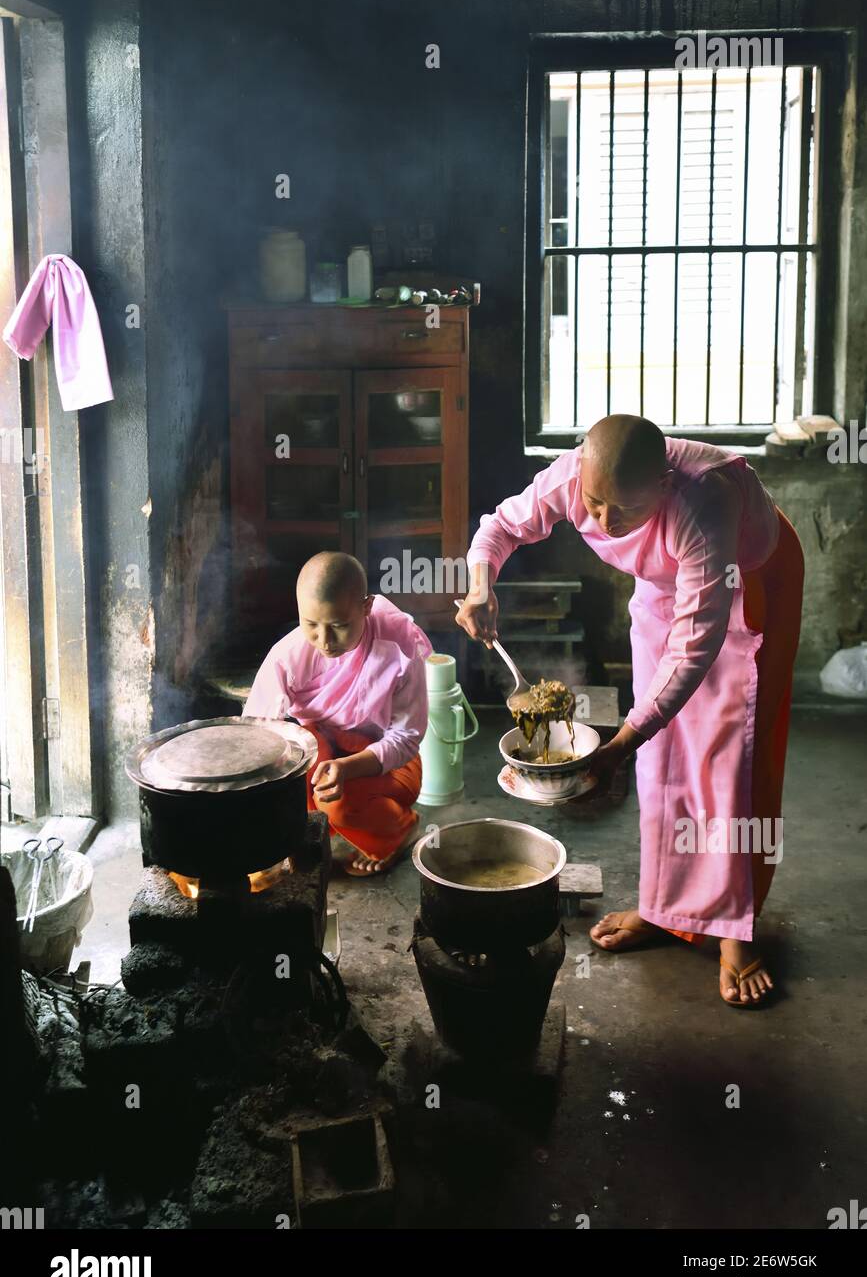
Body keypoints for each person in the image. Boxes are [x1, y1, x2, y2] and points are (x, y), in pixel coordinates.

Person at [457, 415, 804, 1006]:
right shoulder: (574, 476)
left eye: (622, 510)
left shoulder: (704, 501)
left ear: (664, 485)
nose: (602, 520)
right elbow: (500, 526)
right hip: (666, 584)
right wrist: (481, 583)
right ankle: (665, 908)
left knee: (725, 757)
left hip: (747, 581)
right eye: (593, 502)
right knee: (661, 757)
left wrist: (618, 742)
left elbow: (696, 646)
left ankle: (730, 931)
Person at [243, 551, 431, 875]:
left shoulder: (398, 646)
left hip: (391, 764)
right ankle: (313, 831)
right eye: (311, 625)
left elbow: (407, 738)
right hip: (327, 748)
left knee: (335, 803)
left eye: (340, 626)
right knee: (295, 759)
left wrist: (347, 768)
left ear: (366, 607)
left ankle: (401, 829)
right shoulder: (287, 656)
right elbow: (257, 734)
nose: (325, 641)